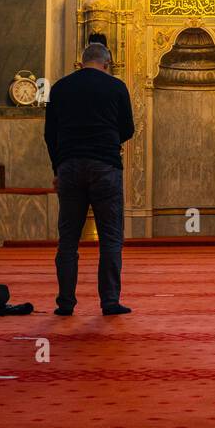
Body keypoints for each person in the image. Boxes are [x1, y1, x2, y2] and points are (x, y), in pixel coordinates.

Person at [43, 41, 135, 316]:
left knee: (68, 239)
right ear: (107, 64)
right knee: (110, 237)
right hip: (105, 167)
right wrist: (106, 142)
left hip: (70, 167)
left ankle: (65, 304)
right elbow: (127, 129)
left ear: (81, 62)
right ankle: (109, 301)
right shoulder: (116, 86)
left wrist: (58, 168)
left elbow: (50, 134)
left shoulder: (60, 88)